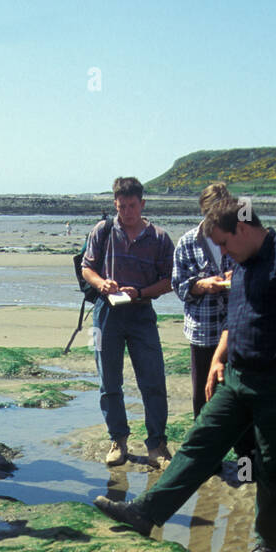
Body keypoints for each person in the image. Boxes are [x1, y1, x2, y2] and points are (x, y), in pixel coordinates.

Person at [94, 195, 276, 552]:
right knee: (199, 445)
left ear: (245, 227)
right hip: (237, 377)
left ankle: (268, 541)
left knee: (273, 465)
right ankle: (146, 513)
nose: (223, 250)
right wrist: (220, 357)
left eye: (224, 241)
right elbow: (238, 317)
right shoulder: (245, 261)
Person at [80, 176, 174, 469]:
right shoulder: (103, 230)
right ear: (115, 204)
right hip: (105, 313)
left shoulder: (158, 237)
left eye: (132, 206)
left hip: (142, 314)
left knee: (153, 380)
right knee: (109, 382)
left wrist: (142, 292)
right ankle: (118, 440)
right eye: (121, 207)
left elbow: (171, 280)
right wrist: (101, 284)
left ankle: (157, 444)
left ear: (142, 204)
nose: (127, 212)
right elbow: (86, 268)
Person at [171, 182, 234, 417]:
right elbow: (178, 285)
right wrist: (202, 286)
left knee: (236, 395)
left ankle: (244, 454)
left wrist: (235, 277)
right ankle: (206, 452)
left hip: (234, 331)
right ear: (203, 211)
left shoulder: (237, 237)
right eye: (211, 214)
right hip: (203, 330)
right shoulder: (188, 242)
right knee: (203, 396)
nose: (216, 220)